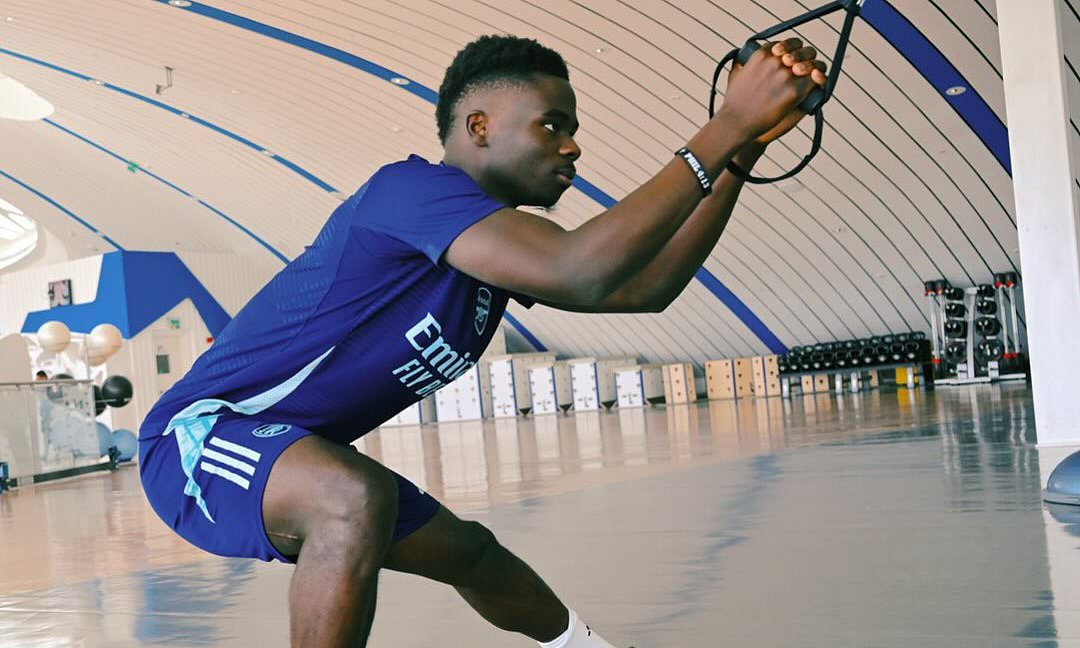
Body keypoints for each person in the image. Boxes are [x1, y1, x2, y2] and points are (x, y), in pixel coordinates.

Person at [138, 34, 826, 648]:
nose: (573, 145)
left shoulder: (491, 254)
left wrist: (740, 151)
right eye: (552, 125)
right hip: (200, 439)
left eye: (574, 129)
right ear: (479, 127)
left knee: (472, 555)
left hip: (298, 453)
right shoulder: (408, 192)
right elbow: (580, 270)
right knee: (350, 499)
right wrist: (727, 122)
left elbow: (642, 287)